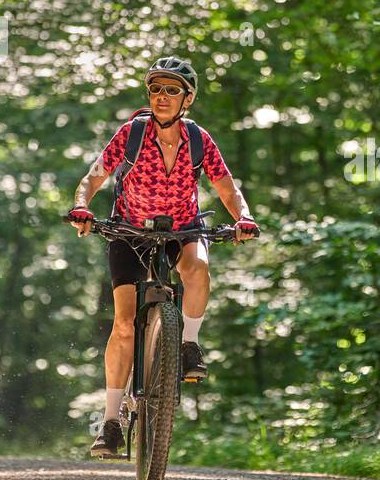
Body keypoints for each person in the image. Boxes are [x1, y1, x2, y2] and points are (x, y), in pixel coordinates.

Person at [66, 56, 257, 458]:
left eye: (172, 90)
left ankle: (188, 345)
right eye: (155, 89)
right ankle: (112, 422)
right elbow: (94, 176)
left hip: (182, 227)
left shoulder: (199, 140)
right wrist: (82, 206)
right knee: (123, 323)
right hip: (130, 231)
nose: (162, 97)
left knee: (198, 269)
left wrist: (244, 217)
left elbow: (226, 186)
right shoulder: (132, 133)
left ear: (188, 98)